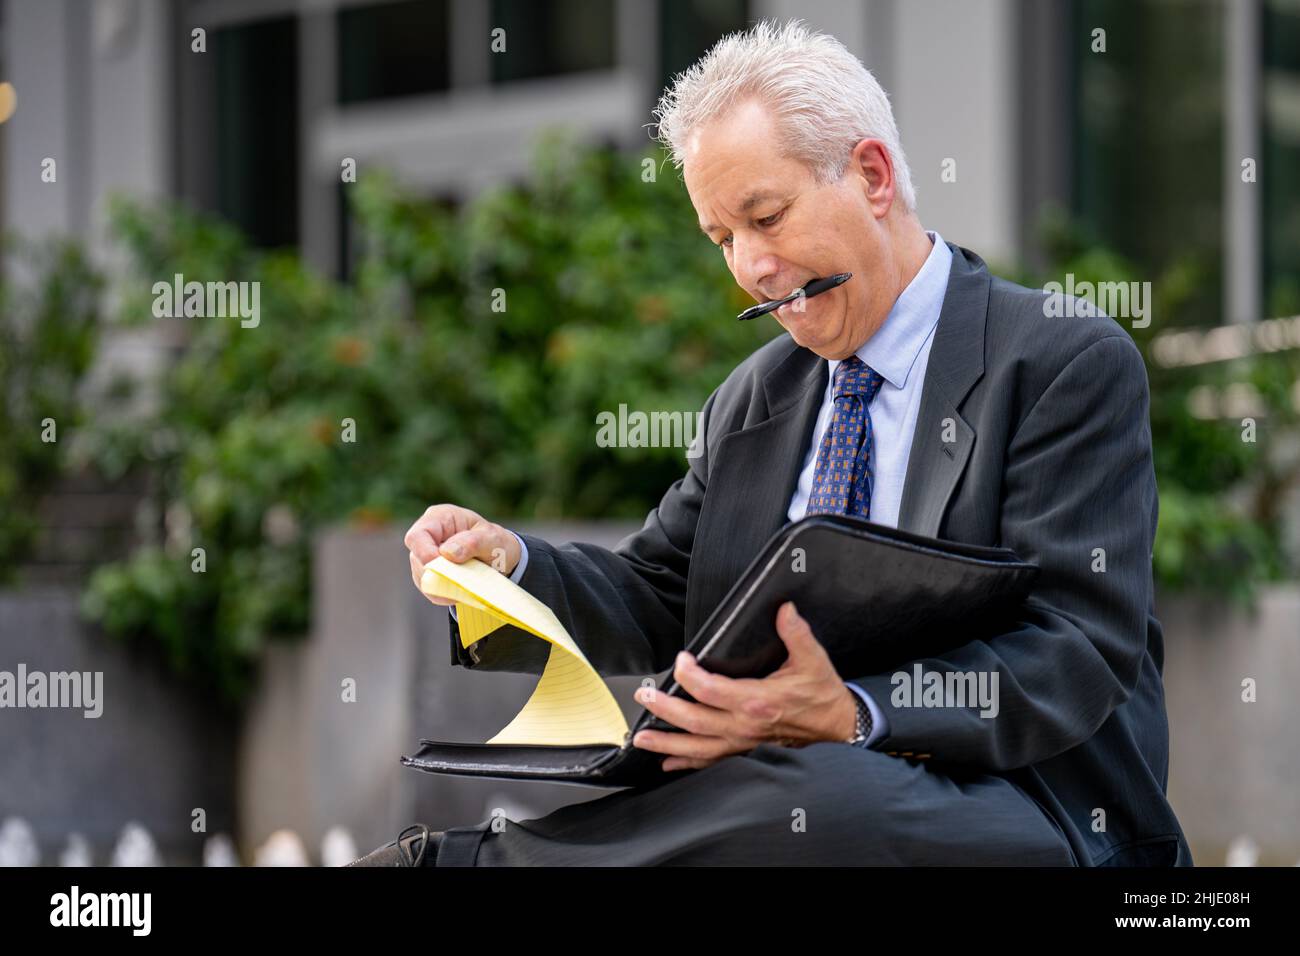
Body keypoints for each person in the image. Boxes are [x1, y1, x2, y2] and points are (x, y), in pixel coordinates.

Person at [349, 18, 1190, 867]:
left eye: (767, 216)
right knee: (784, 794)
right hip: (785, 791)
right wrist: (509, 570)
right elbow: (663, 591)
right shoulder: (753, 397)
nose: (750, 267)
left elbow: (1077, 647)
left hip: (1031, 812)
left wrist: (853, 713)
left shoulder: (1061, 360)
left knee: (828, 798)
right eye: (724, 239)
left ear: (871, 174)